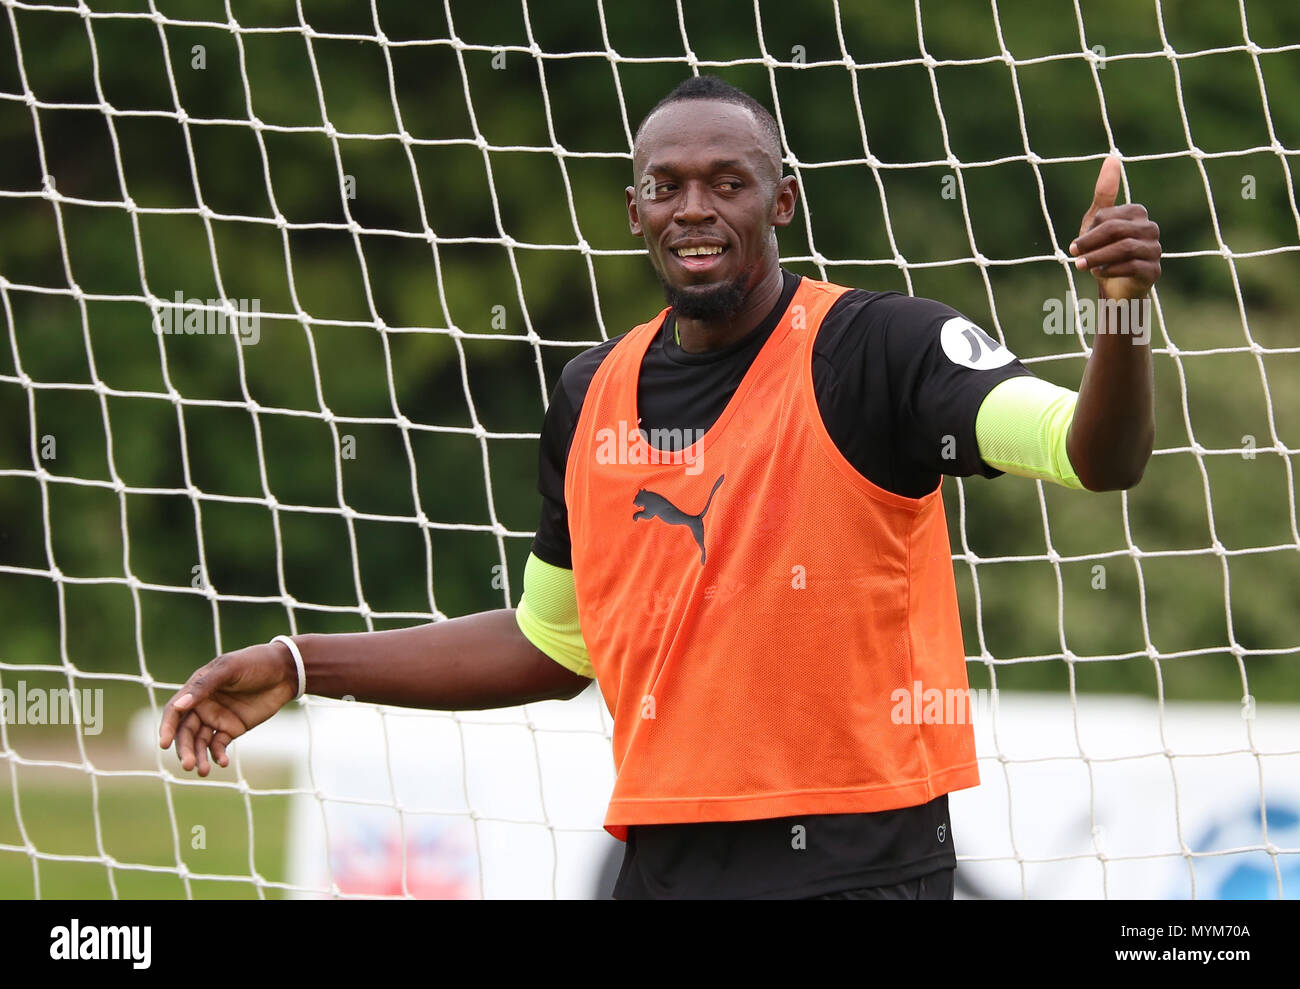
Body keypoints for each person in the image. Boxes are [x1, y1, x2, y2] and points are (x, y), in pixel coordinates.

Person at [159, 75, 1160, 900]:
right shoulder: (590, 389)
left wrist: (1117, 317)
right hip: (663, 859)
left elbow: (1090, 453)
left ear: (782, 197)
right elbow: (554, 643)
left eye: (727, 182)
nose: (694, 208)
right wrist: (302, 661)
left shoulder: (877, 347)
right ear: (634, 207)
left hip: (861, 858)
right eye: (667, 184)